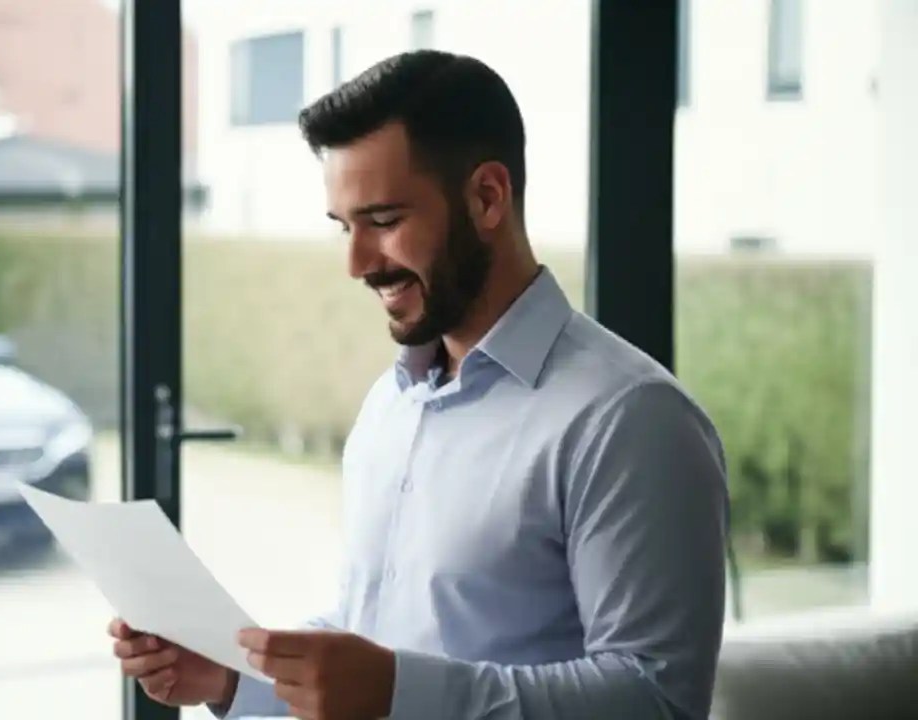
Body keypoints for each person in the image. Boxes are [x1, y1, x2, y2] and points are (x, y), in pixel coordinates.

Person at [110, 50, 728, 720]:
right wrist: (233, 676)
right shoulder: (392, 406)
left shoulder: (631, 420)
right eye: (345, 228)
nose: (356, 264)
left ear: (488, 197)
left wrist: (400, 693)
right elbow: (371, 641)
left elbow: (658, 700)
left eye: (382, 221)